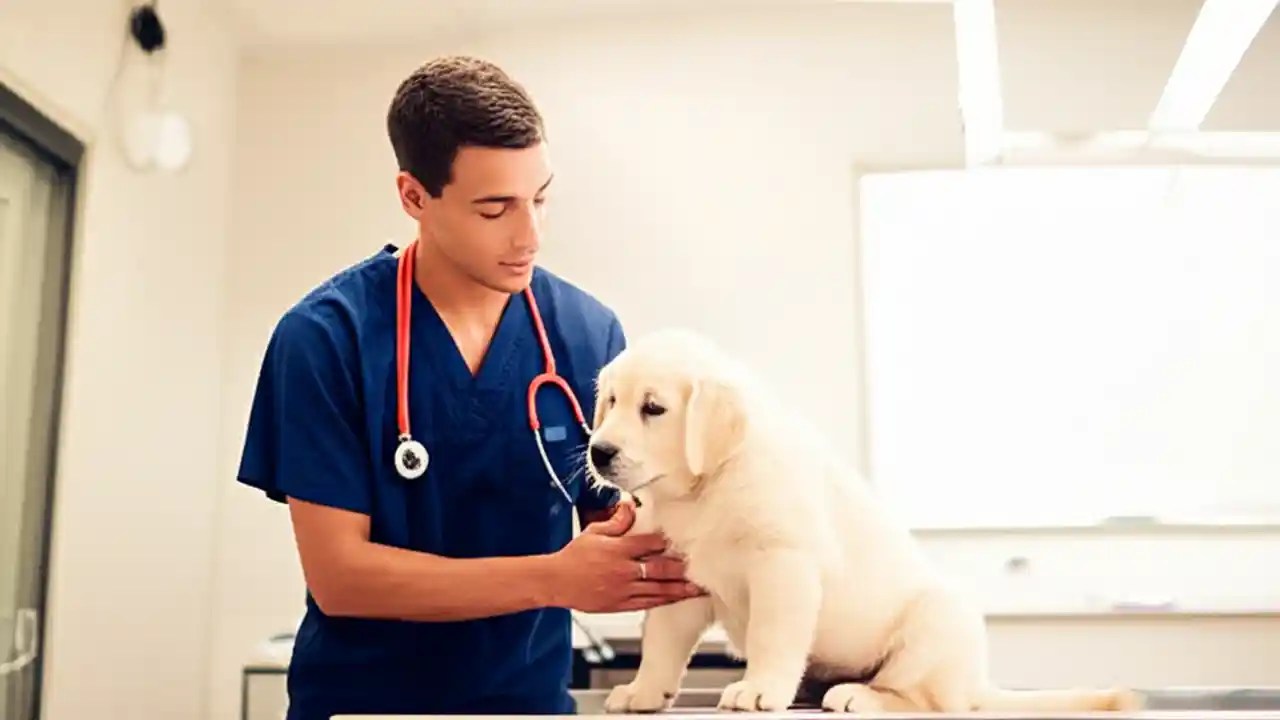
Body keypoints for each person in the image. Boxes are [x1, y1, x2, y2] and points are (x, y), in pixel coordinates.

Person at [235, 55, 703, 720]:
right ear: (414, 197)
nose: (529, 235)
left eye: (540, 198)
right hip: (364, 708)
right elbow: (340, 578)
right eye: (495, 209)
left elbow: (621, 529)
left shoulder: (586, 334)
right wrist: (551, 577)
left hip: (529, 706)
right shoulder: (325, 338)